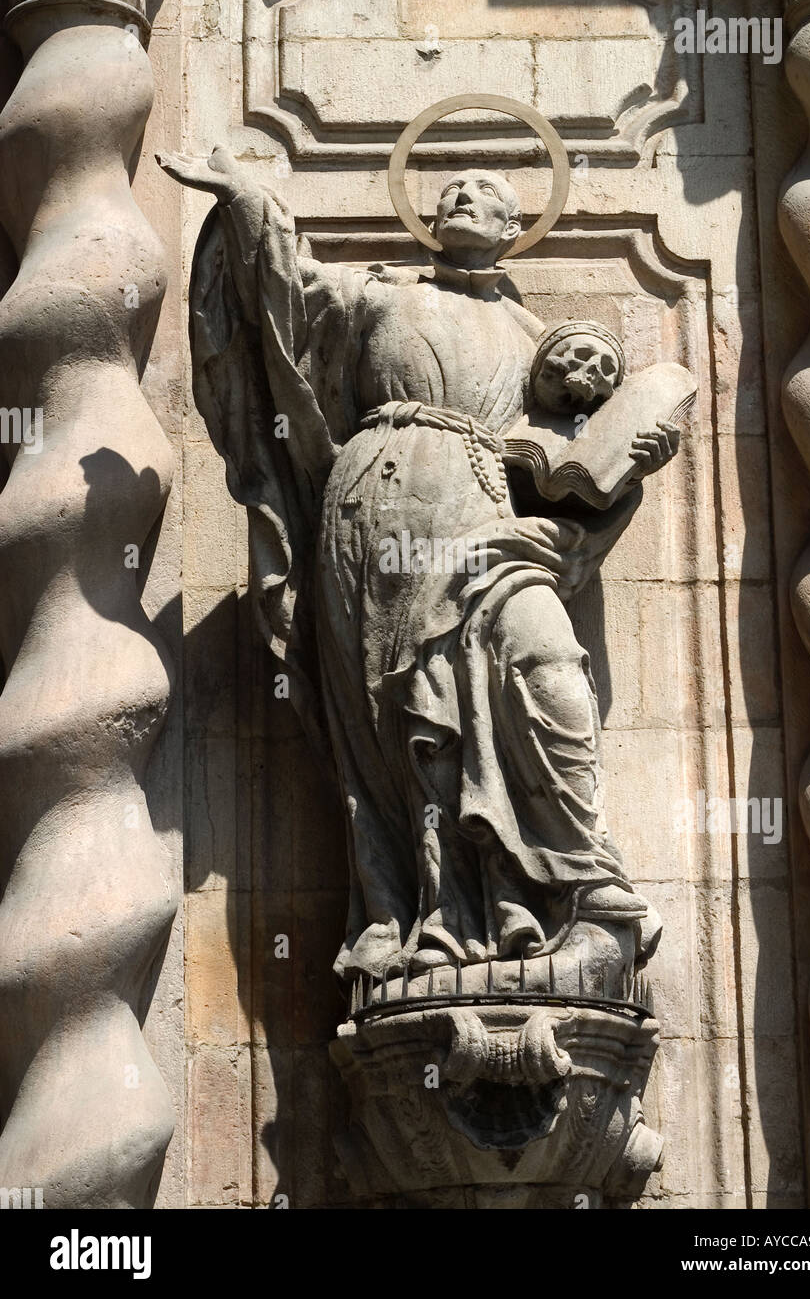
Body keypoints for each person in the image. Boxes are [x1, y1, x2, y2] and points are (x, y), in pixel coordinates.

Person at [157, 145, 679, 978]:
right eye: (455, 187)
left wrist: (633, 453)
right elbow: (285, 293)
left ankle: (577, 887)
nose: (466, 192)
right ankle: (424, 917)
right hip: (368, 515)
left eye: (487, 190)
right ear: (430, 220)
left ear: (514, 230)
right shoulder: (377, 295)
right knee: (393, 720)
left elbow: (584, 469)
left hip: (484, 519)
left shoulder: (545, 344)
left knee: (545, 663)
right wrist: (249, 195)